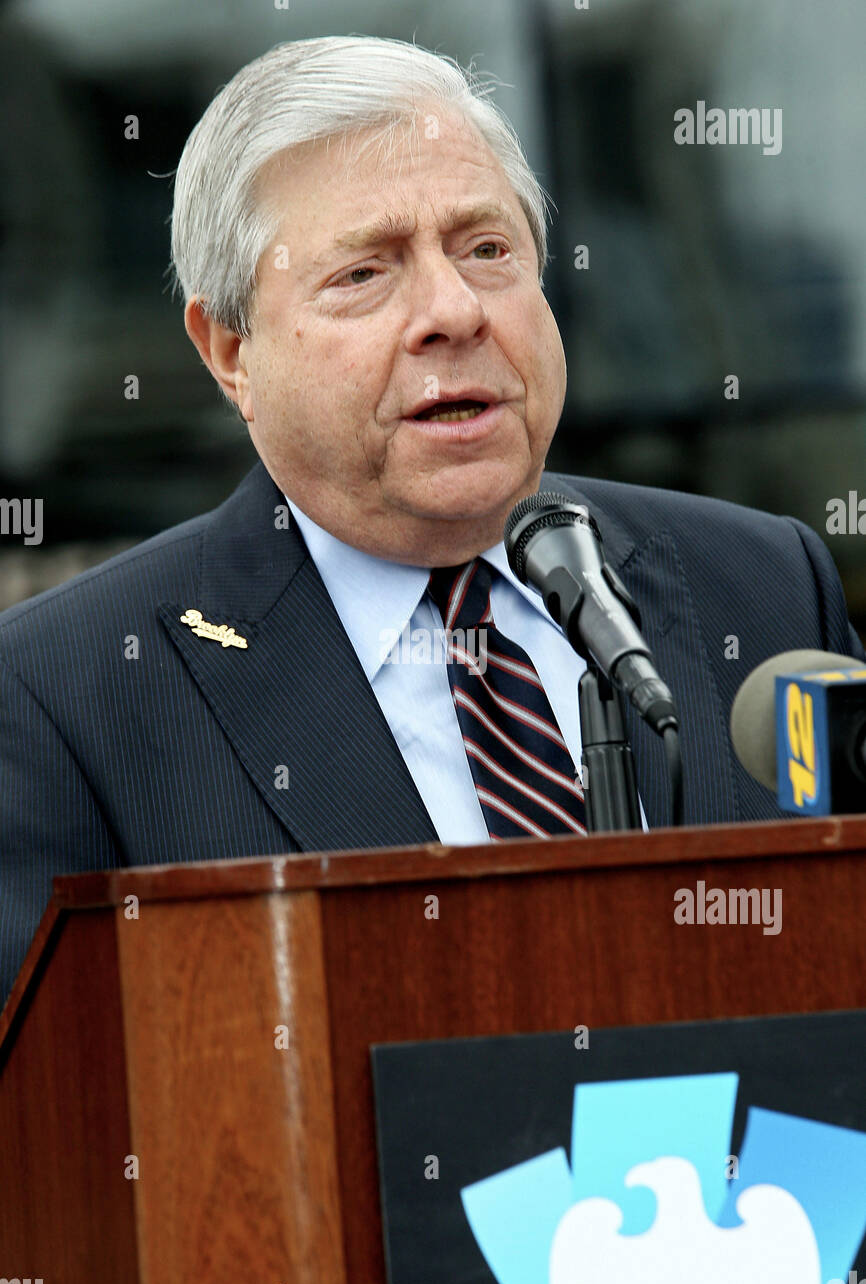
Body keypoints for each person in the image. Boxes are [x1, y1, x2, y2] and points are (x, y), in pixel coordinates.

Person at [0, 36, 862, 1005]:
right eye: (365, 273)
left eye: (486, 250)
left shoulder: (760, 585)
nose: (452, 311)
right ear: (230, 349)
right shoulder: (62, 700)